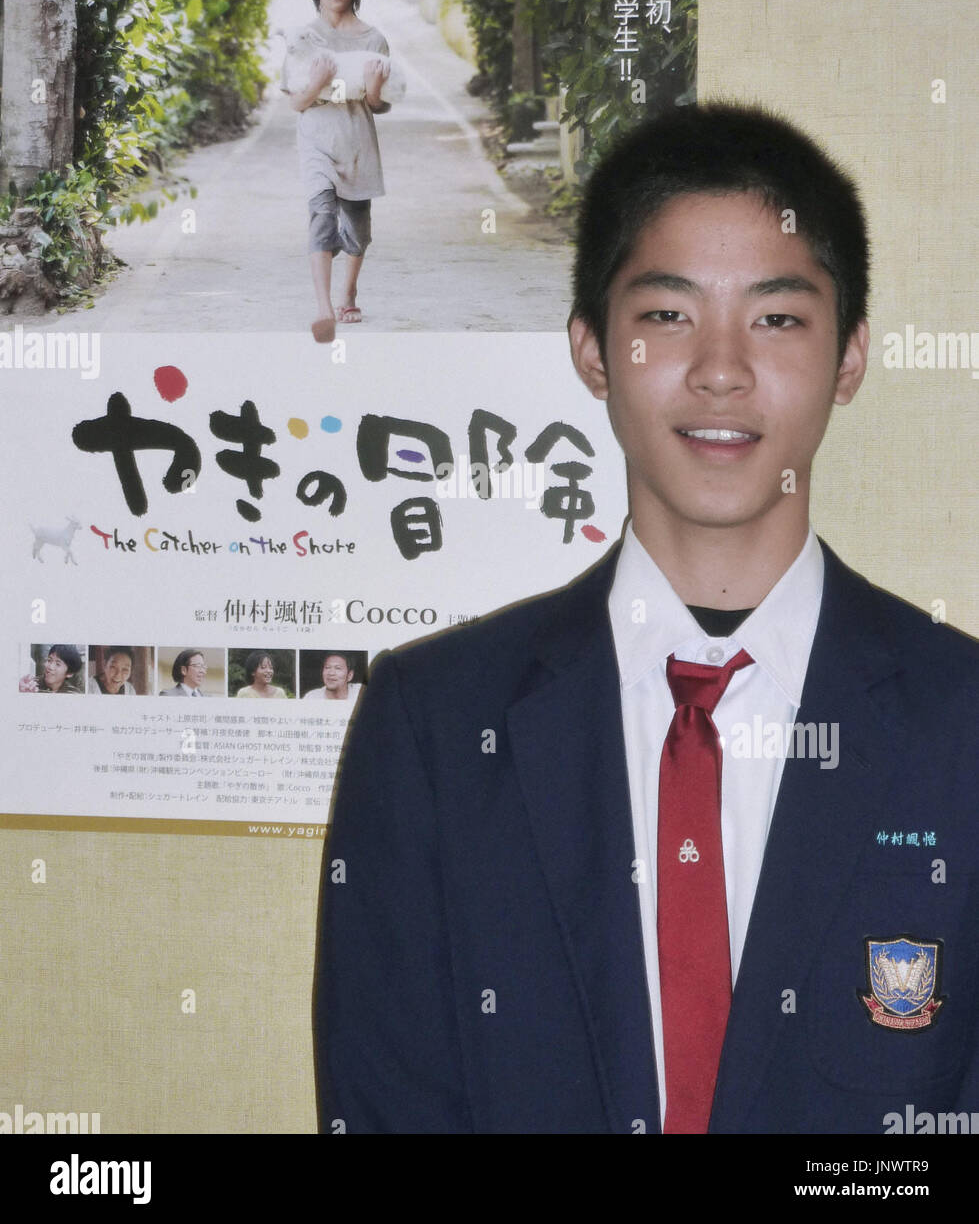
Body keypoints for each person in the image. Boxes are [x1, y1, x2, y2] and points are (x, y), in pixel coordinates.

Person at [315, 102, 979, 1136]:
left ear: (849, 357)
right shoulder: (435, 723)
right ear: (591, 349)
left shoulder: (960, 721)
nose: (720, 367)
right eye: (667, 315)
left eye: (776, 317)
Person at [282, 0, 392, 344]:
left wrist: (375, 87)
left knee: (357, 230)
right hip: (316, 140)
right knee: (321, 215)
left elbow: (377, 104)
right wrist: (316, 82)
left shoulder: (373, 39)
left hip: (357, 140)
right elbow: (295, 101)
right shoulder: (303, 39)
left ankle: (349, 291)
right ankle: (324, 308)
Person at [19, 644, 84, 694]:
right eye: (49, 660)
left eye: (58, 664)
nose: (50, 667)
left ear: (69, 673)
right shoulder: (31, 685)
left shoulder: (74, 693)